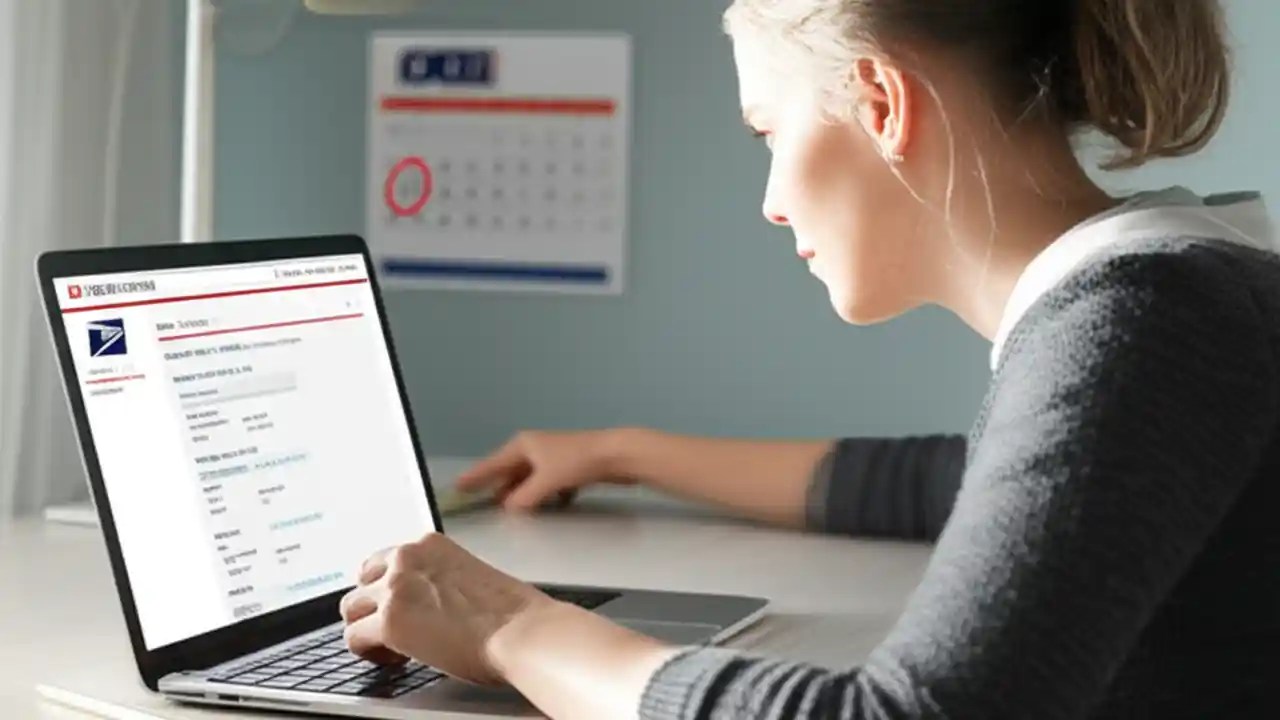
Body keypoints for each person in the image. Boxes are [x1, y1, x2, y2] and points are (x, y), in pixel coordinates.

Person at [338, 0, 1280, 717]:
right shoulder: (1168, 288)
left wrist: (511, 626)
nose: (771, 203)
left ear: (879, 103)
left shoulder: (1143, 321)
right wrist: (625, 453)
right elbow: (944, 481)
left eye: (768, 132)